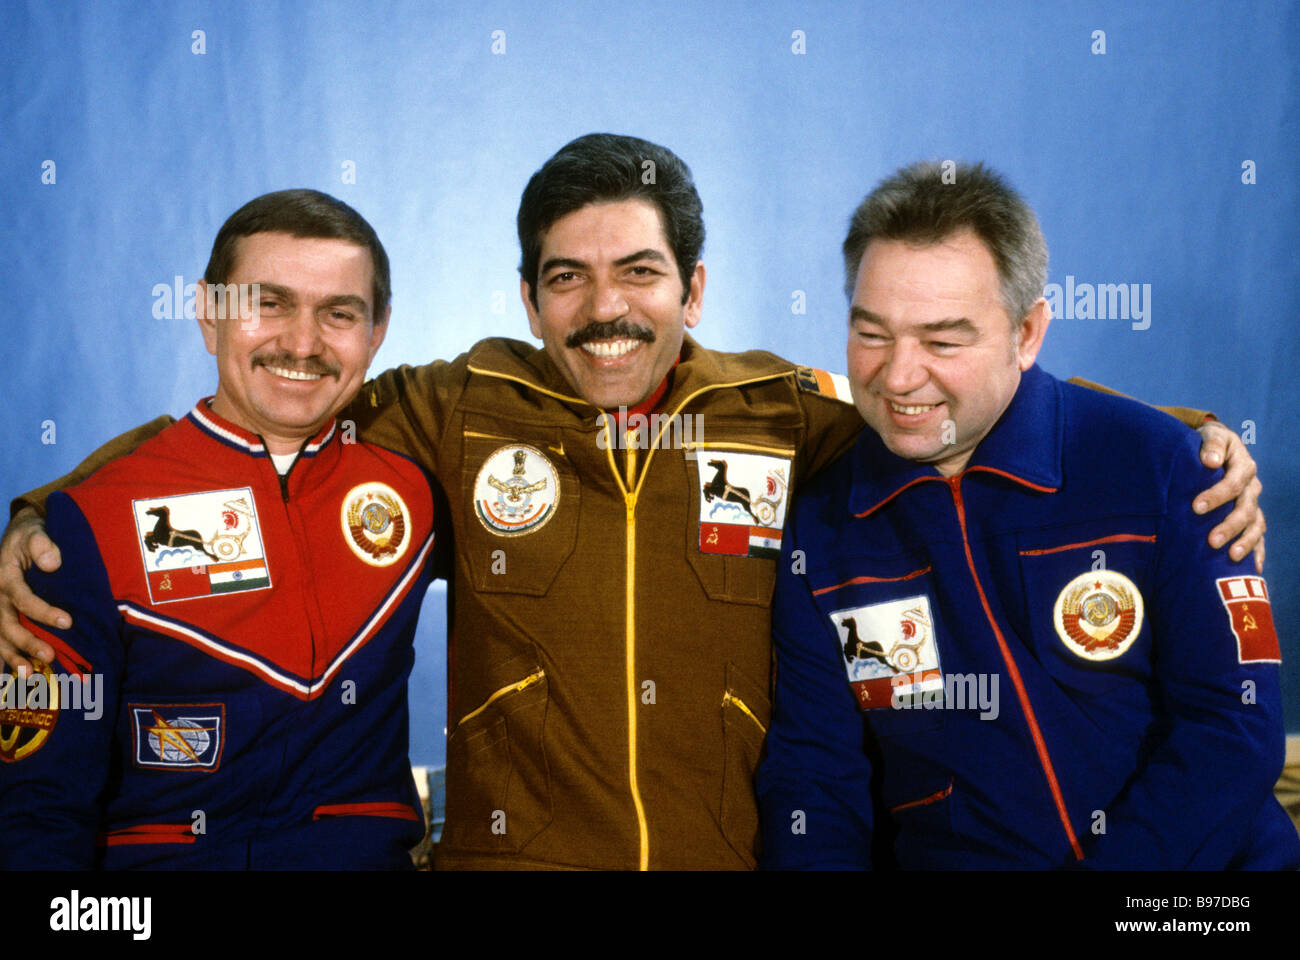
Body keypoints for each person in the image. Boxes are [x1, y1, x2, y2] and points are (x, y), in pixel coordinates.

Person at [0, 136, 1264, 870]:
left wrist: (1179, 441)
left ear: (695, 286)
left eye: (639, 271)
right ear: (529, 292)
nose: (605, 308)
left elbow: (939, 388)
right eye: (568, 277)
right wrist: (45, 513)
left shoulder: (784, 411)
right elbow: (257, 425)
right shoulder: (451, 410)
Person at [756, 161, 1297, 869]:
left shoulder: (1166, 467)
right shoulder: (821, 532)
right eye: (872, 334)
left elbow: (1234, 726)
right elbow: (817, 782)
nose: (898, 375)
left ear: (1028, 331)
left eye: (943, 341)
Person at [0, 190, 437, 868]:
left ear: (377, 330)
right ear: (208, 314)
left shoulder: (417, 489)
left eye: (339, 313)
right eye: (269, 304)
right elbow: (32, 810)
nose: (302, 342)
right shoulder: (81, 528)